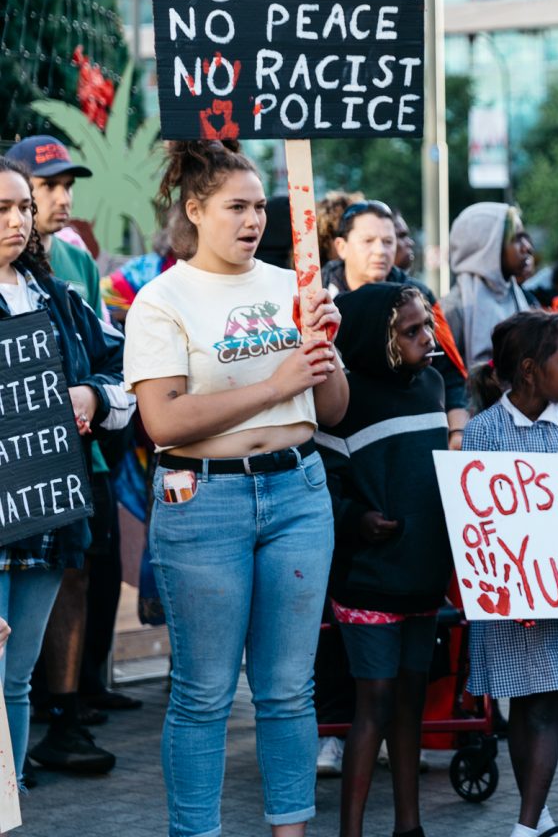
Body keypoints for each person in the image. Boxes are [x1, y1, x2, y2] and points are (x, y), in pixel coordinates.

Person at [124, 139, 348, 837]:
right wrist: (275, 384)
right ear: (195, 210)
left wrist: (325, 350)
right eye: (236, 207)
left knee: (288, 691)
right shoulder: (161, 300)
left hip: (298, 495)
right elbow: (162, 419)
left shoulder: (293, 286)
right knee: (204, 694)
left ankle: (291, 831)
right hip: (204, 500)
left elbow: (333, 409)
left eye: (258, 206)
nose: (253, 220)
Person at [4, 135, 141, 776]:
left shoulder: (61, 299)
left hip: (48, 512)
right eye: (3, 208)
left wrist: (91, 393)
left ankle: (11, 797)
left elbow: (127, 377)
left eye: (21, 209)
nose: (17, 221)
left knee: (15, 677)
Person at [462, 310, 558, 837]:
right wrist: (513, 588)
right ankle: (540, 817)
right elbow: (479, 524)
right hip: (511, 600)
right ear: (529, 370)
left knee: (547, 701)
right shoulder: (483, 434)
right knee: (524, 703)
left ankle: (526, 826)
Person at [319, 283, 451, 837]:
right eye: (412, 330)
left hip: (423, 574)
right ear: (379, 338)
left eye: (427, 326)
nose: (428, 339)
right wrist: (357, 521)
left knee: (411, 701)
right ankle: (351, 830)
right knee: (372, 701)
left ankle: (409, 825)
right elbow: (324, 487)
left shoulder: (435, 384)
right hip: (368, 577)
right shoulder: (344, 402)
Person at [321, 200, 469, 448]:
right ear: (342, 246)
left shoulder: (419, 297)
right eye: (368, 241)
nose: (380, 251)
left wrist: (457, 433)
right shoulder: (317, 295)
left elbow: (448, 370)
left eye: (388, 241)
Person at [442, 202, 536, 370]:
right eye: (516, 239)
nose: (527, 247)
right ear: (486, 247)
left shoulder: (522, 299)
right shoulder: (453, 309)